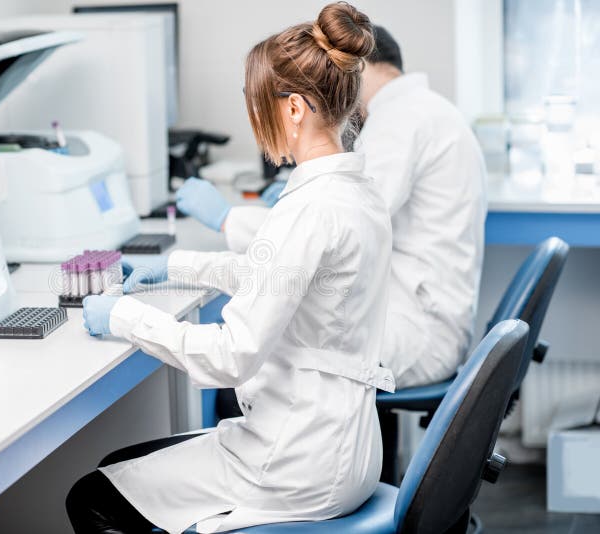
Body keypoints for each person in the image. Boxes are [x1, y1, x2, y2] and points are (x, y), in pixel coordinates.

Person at [68, 3, 395, 532]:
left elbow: (229, 356)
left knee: (93, 496)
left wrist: (125, 317)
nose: (256, 123)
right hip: (345, 448)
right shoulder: (356, 191)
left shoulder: (311, 208)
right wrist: (176, 266)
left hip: (293, 462)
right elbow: (281, 277)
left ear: (293, 110)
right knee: (123, 473)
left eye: (259, 107)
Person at [178, 25, 487, 389]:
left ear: (362, 64)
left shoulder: (401, 118)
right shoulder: (427, 109)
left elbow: (334, 224)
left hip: (414, 332)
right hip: (419, 316)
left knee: (256, 368)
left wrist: (227, 218)